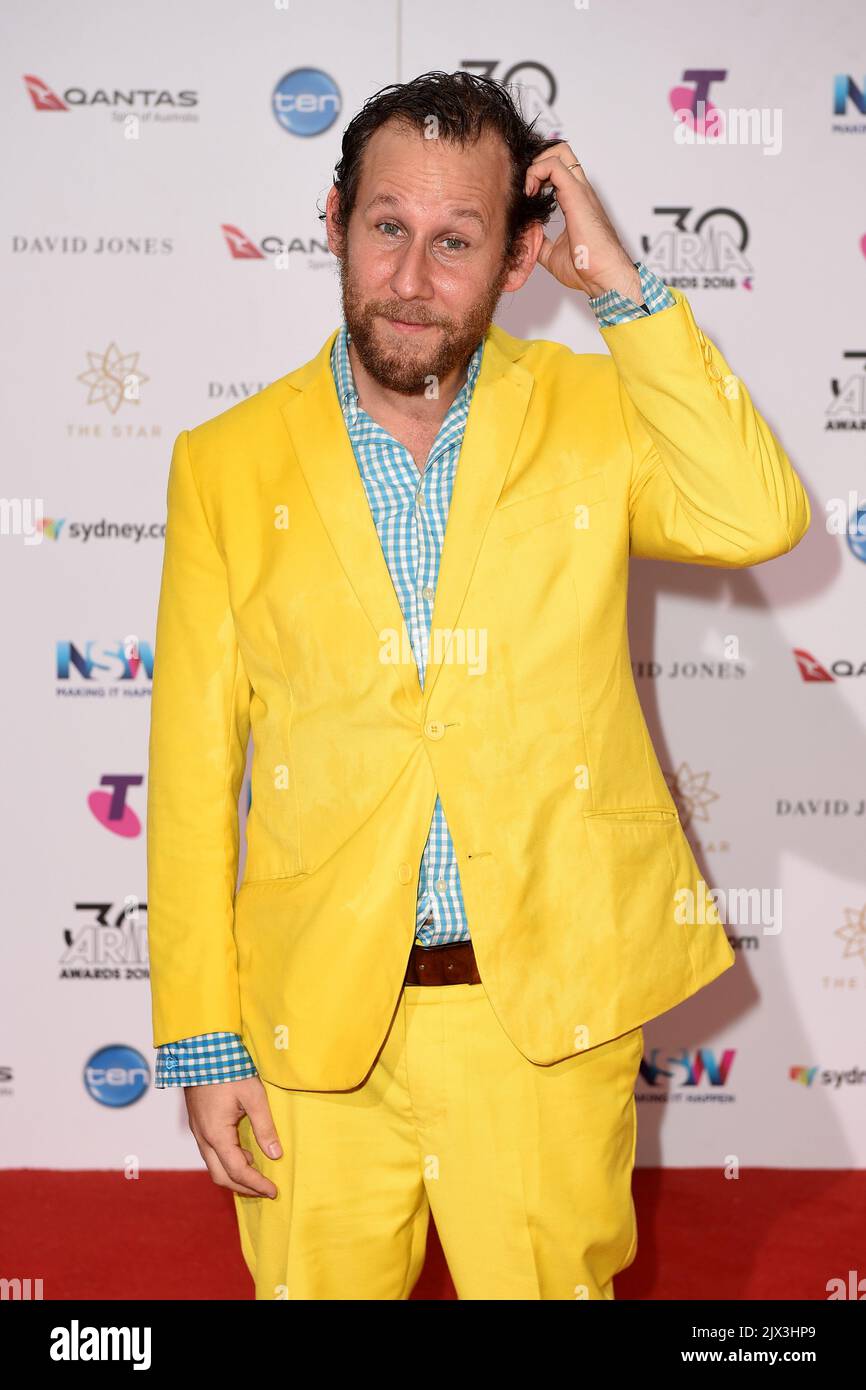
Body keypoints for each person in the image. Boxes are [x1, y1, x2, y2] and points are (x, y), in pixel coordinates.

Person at [146, 70, 810, 1300]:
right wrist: (200, 1031)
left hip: (545, 1022)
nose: (411, 275)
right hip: (311, 1030)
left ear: (515, 261)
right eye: (386, 226)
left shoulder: (596, 410)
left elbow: (754, 512)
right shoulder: (225, 465)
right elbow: (189, 776)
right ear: (333, 217)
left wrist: (622, 288)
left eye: (456, 240)